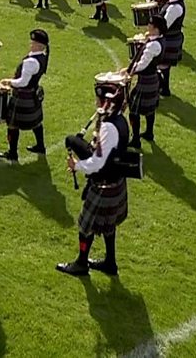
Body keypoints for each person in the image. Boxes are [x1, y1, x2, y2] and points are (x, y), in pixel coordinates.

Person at [57, 83, 130, 276]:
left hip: (104, 183)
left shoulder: (109, 127)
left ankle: (81, 263)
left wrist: (77, 165)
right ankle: (110, 263)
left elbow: (98, 162)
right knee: (108, 225)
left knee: (85, 227)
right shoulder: (120, 120)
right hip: (116, 180)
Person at [0, 29, 50, 162]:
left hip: (23, 96)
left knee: (13, 125)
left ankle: (12, 153)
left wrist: (8, 81)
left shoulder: (31, 62)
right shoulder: (42, 56)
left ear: (38, 45)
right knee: (36, 122)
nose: (30, 43)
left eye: (33, 42)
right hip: (33, 95)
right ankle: (40, 146)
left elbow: (22, 82)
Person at [126, 15, 165, 147]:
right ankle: (149, 133)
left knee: (133, 110)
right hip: (152, 78)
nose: (147, 26)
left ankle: (136, 140)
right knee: (150, 109)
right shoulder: (158, 40)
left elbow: (143, 64)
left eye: (150, 24)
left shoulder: (153, 45)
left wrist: (129, 71)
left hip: (146, 80)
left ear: (155, 28)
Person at [157, 0, 186, 97]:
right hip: (171, 37)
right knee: (164, 65)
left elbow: (165, 25)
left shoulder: (175, 8)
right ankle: (165, 89)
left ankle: (163, 86)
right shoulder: (173, 3)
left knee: (159, 65)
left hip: (169, 38)